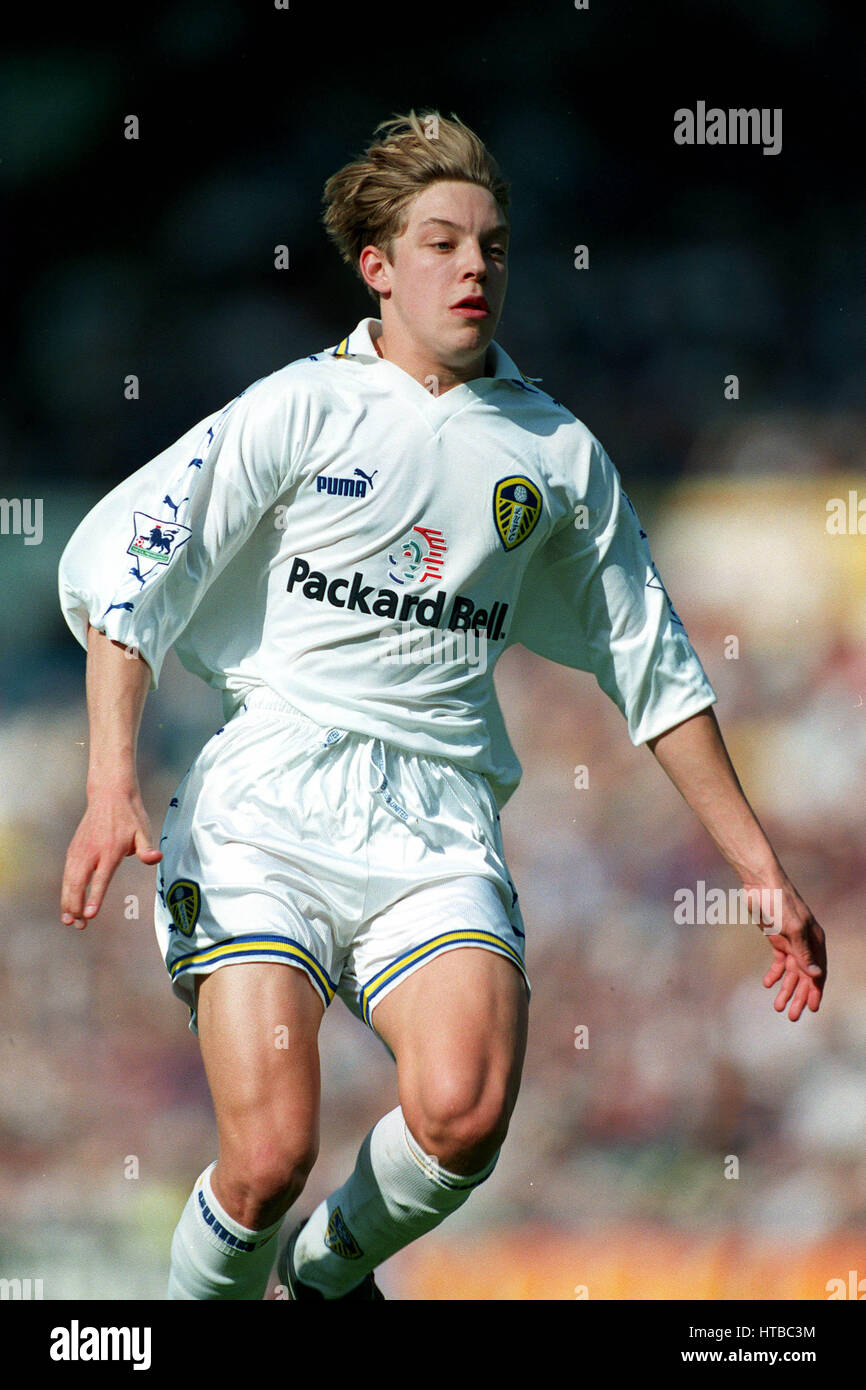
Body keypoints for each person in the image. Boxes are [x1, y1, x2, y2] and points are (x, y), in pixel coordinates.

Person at [57, 109, 827, 1301]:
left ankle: (316, 1282)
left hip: (436, 815)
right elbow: (133, 584)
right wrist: (110, 782)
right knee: (265, 1158)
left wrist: (759, 867)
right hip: (269, 802)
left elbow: (655, 666)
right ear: (376, 266)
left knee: (462, 1115)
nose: (474, 266)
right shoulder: (299, 408)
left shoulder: (555, 453)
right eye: (440, 242)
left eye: (494, 245)